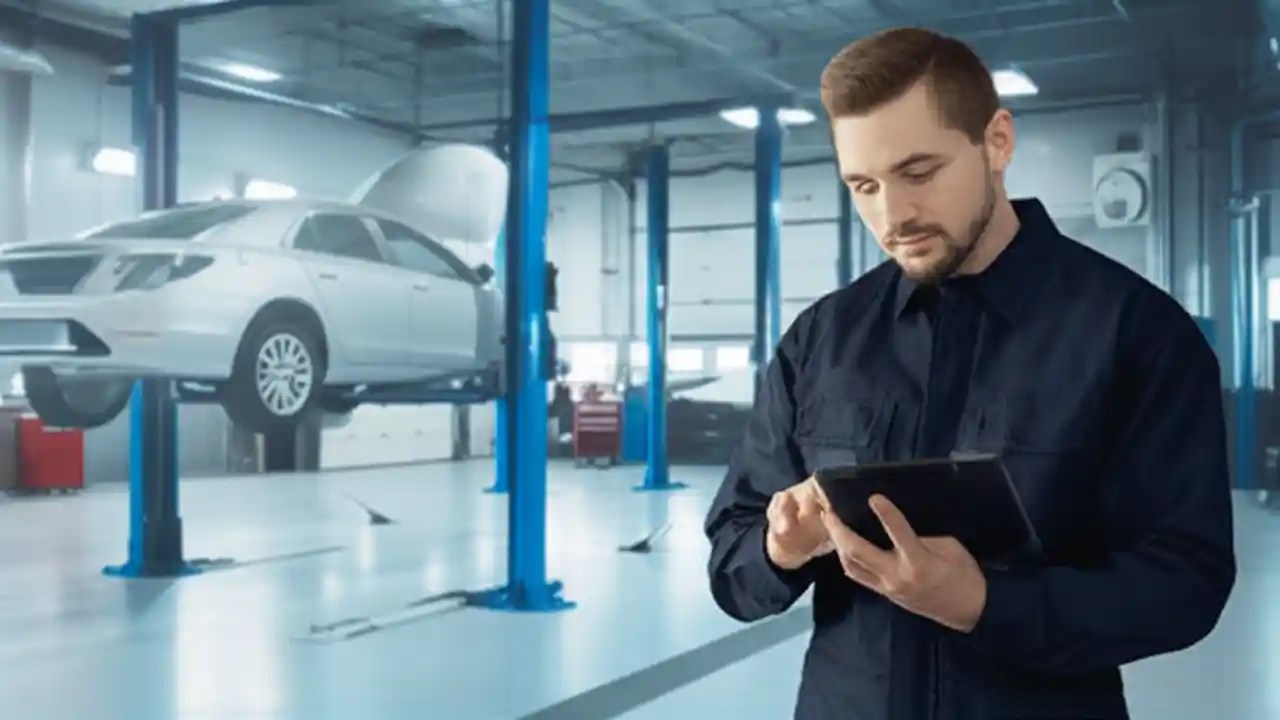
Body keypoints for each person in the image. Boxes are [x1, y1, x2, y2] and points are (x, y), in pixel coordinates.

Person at [703, 26, 1236, 720]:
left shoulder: (1136, 333)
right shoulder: (821, 340)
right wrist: (780, 546)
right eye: (864, 185)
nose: (893, 215)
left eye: (919, 173)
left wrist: (987, 603)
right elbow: (732, 562)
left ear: (997, 142)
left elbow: (1186, 580)